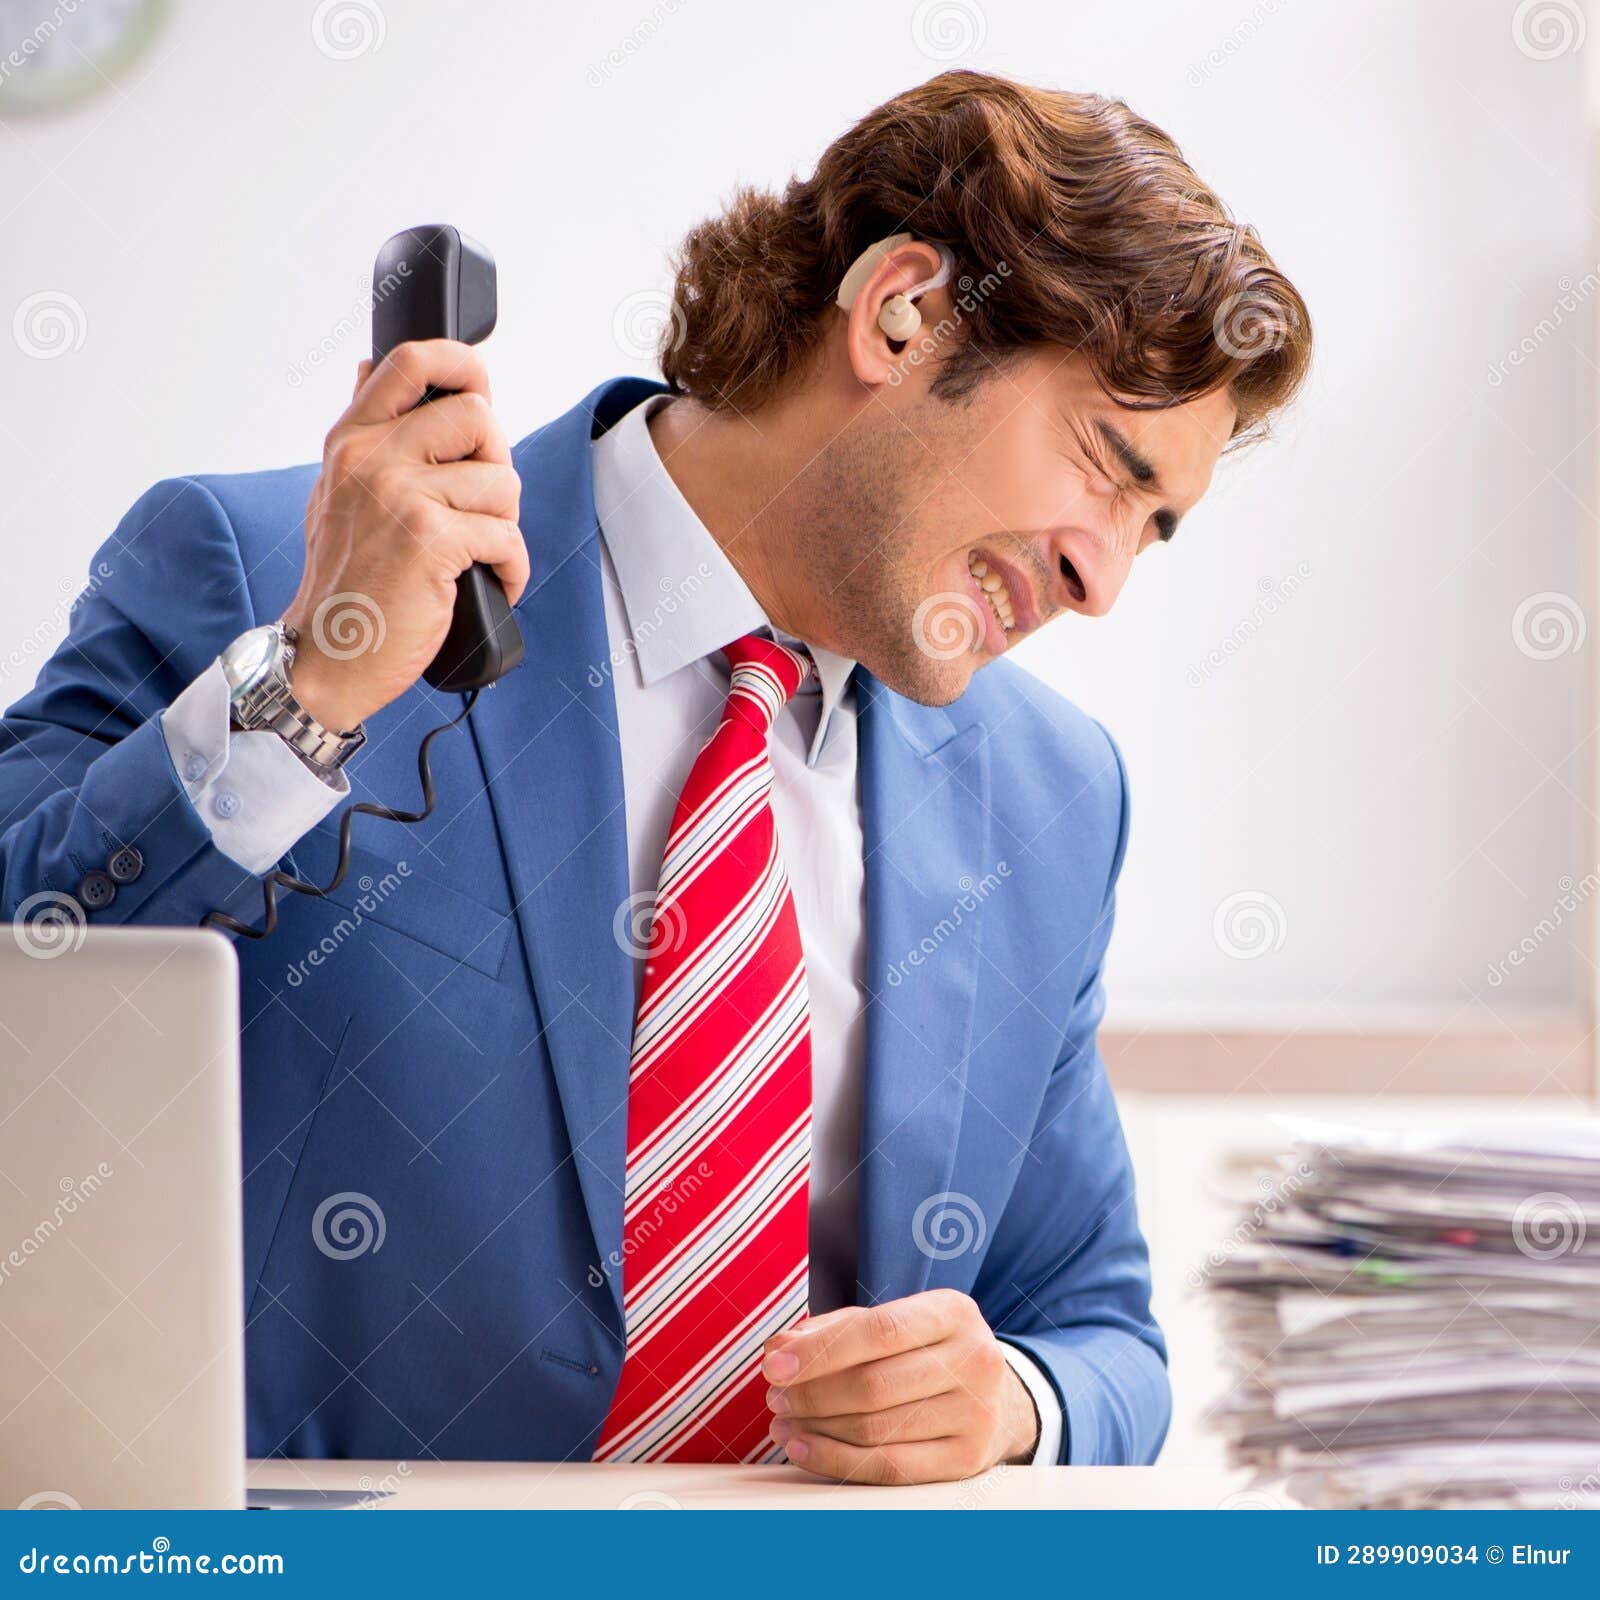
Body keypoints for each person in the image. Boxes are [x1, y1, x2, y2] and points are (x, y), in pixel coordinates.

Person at [0, 70, 1309, 1482]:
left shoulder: (1053, 799)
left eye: (1151, 528)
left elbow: (1098, 1328)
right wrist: (311, 684)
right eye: (1105, 467)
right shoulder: (262, 572)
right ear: (903, 313)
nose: (1102, 576)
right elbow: (30, 977)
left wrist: (1007, 1402)